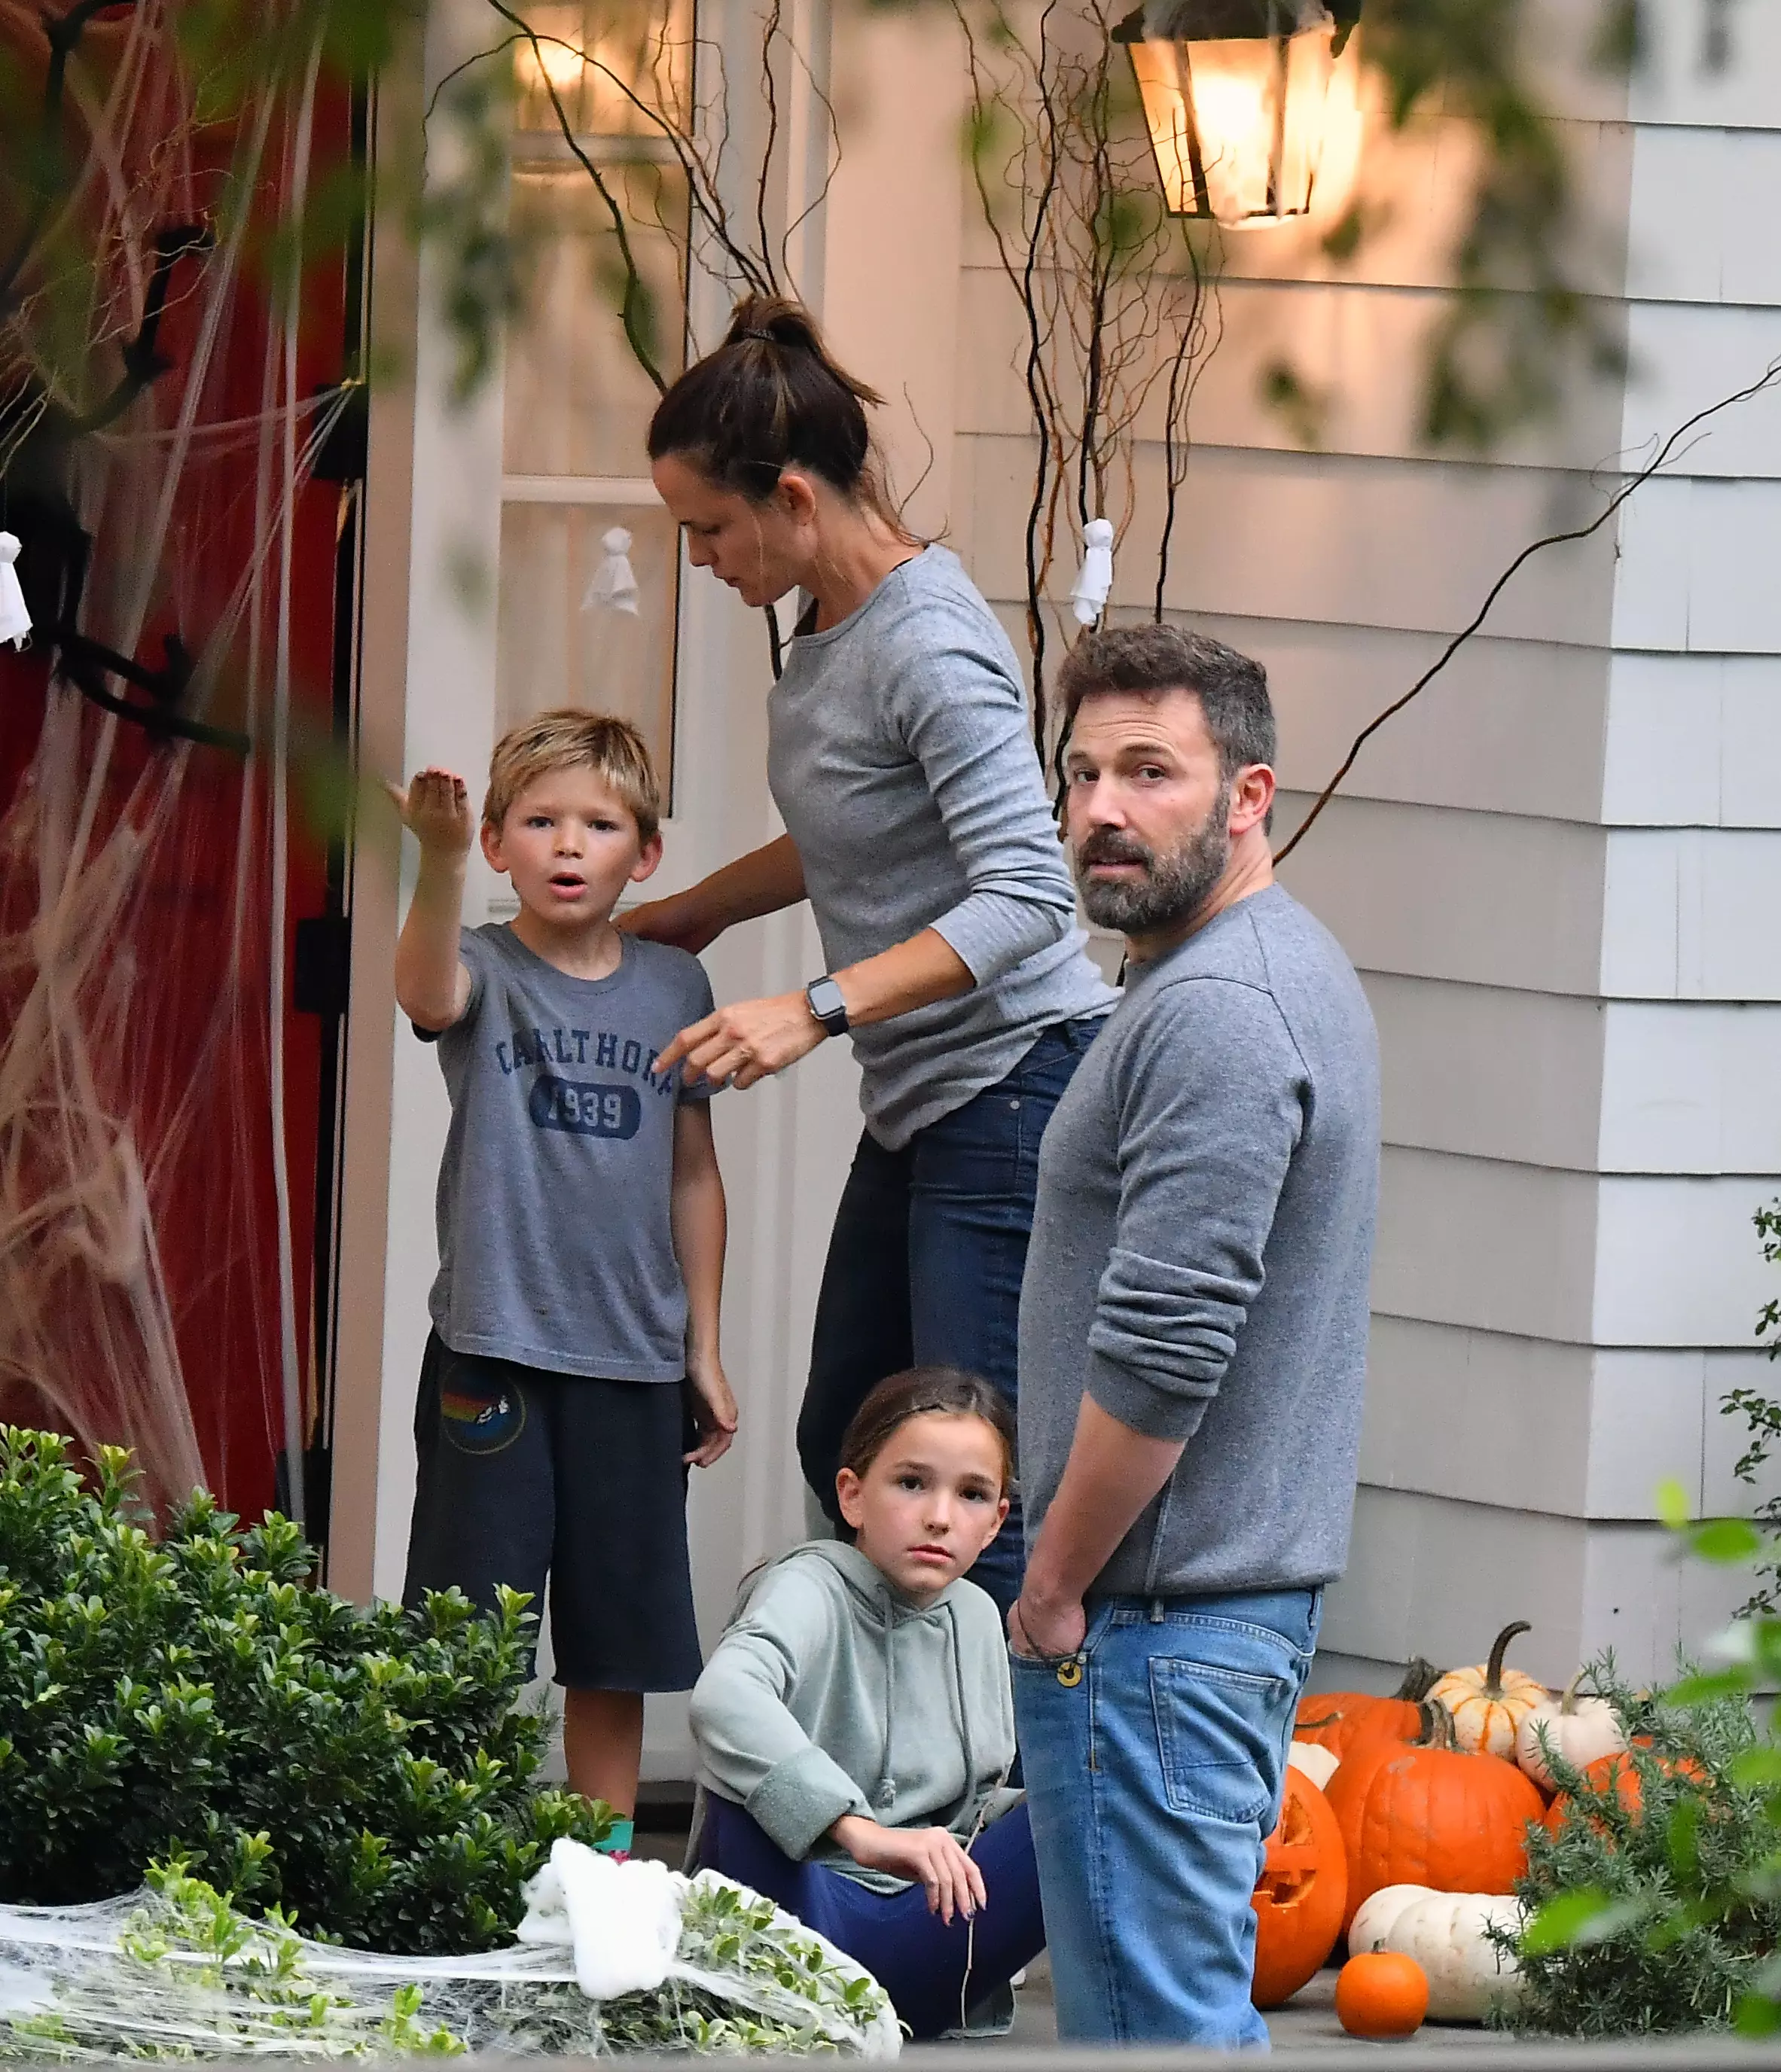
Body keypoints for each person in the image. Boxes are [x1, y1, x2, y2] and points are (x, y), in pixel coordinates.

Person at [623, 294, 1115, 1617]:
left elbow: (1030, 896)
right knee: (847, 1442)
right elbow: (857, 825)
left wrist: (817, 1007)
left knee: (963, 1483)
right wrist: (701, 910)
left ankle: (999, 1808)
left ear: (790, 497)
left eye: (711, 530)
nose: (705, 560)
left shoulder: (930, 641)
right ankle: (880, 1764)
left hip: (1016, 1090)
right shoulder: (830, 625)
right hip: (926, 1108)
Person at [1006, 626, 1381, 2046]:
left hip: (1154, 1621)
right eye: (1084, 770)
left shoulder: (1220, 1011)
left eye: (1151, 771)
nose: (1102, 806)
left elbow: (1169, 1350)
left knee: (1150, 2034)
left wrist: (1051, 1586)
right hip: (1199, 1612)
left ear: (1247, 795)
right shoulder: (1259, 966)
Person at [390, 709, 734, 1853]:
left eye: (599, 824)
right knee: (468, 1632)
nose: (568, 845)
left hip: (634, 1361)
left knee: (614, 1639)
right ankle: (450, 1853)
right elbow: (426, 996)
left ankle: (603, 1871)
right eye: (539, 822)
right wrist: (434, 870)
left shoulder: (676, 989)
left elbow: (693, 1172)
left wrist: (705, 1345)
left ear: (646, 853)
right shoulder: (482, 966)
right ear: (496, 845)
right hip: (494, 1349)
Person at [687, 1367, 1047, 2040]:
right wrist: (859, 1831)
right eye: (911, 1483)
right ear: (852, 1495)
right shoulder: (810, 1586)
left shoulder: (975, 1616)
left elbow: (970, 1811)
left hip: (929, 1936)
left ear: (997, 1521)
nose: (939, 1516)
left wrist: (1036, 1819)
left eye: (972, 1495)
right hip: (798, 1928)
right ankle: (768, 2004)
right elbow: (723, 1696)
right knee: (742, 1788)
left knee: (1084, 1804)